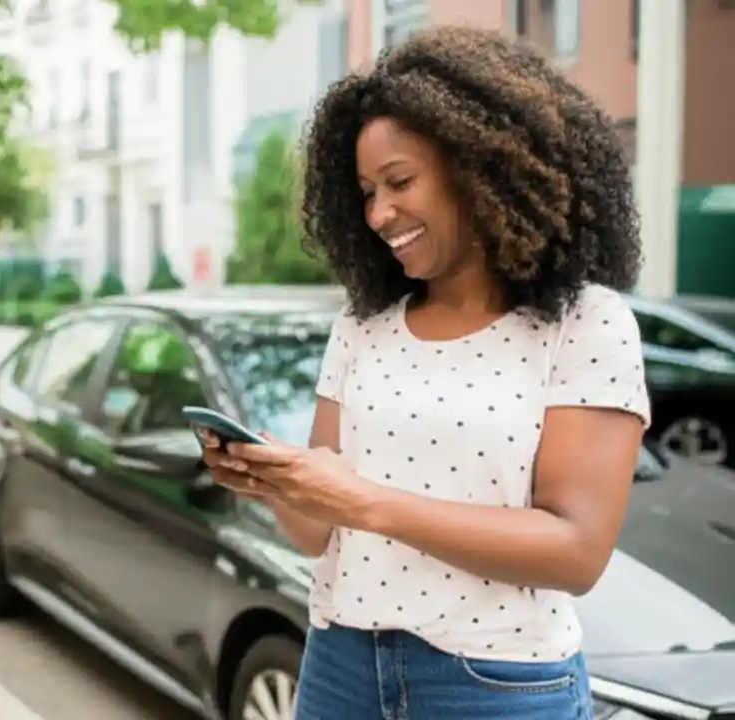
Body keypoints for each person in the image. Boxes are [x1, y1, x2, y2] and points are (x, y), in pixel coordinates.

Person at [200, 26, 648, 719]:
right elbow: (320, 533)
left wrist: (367, 503)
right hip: (339, 665)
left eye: (400, 181)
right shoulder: (363, 325)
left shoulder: (585, 324)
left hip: (495, 683)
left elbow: (576, 551)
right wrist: (274, 483)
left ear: (480, 167)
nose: (379, 213)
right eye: (366, 192)